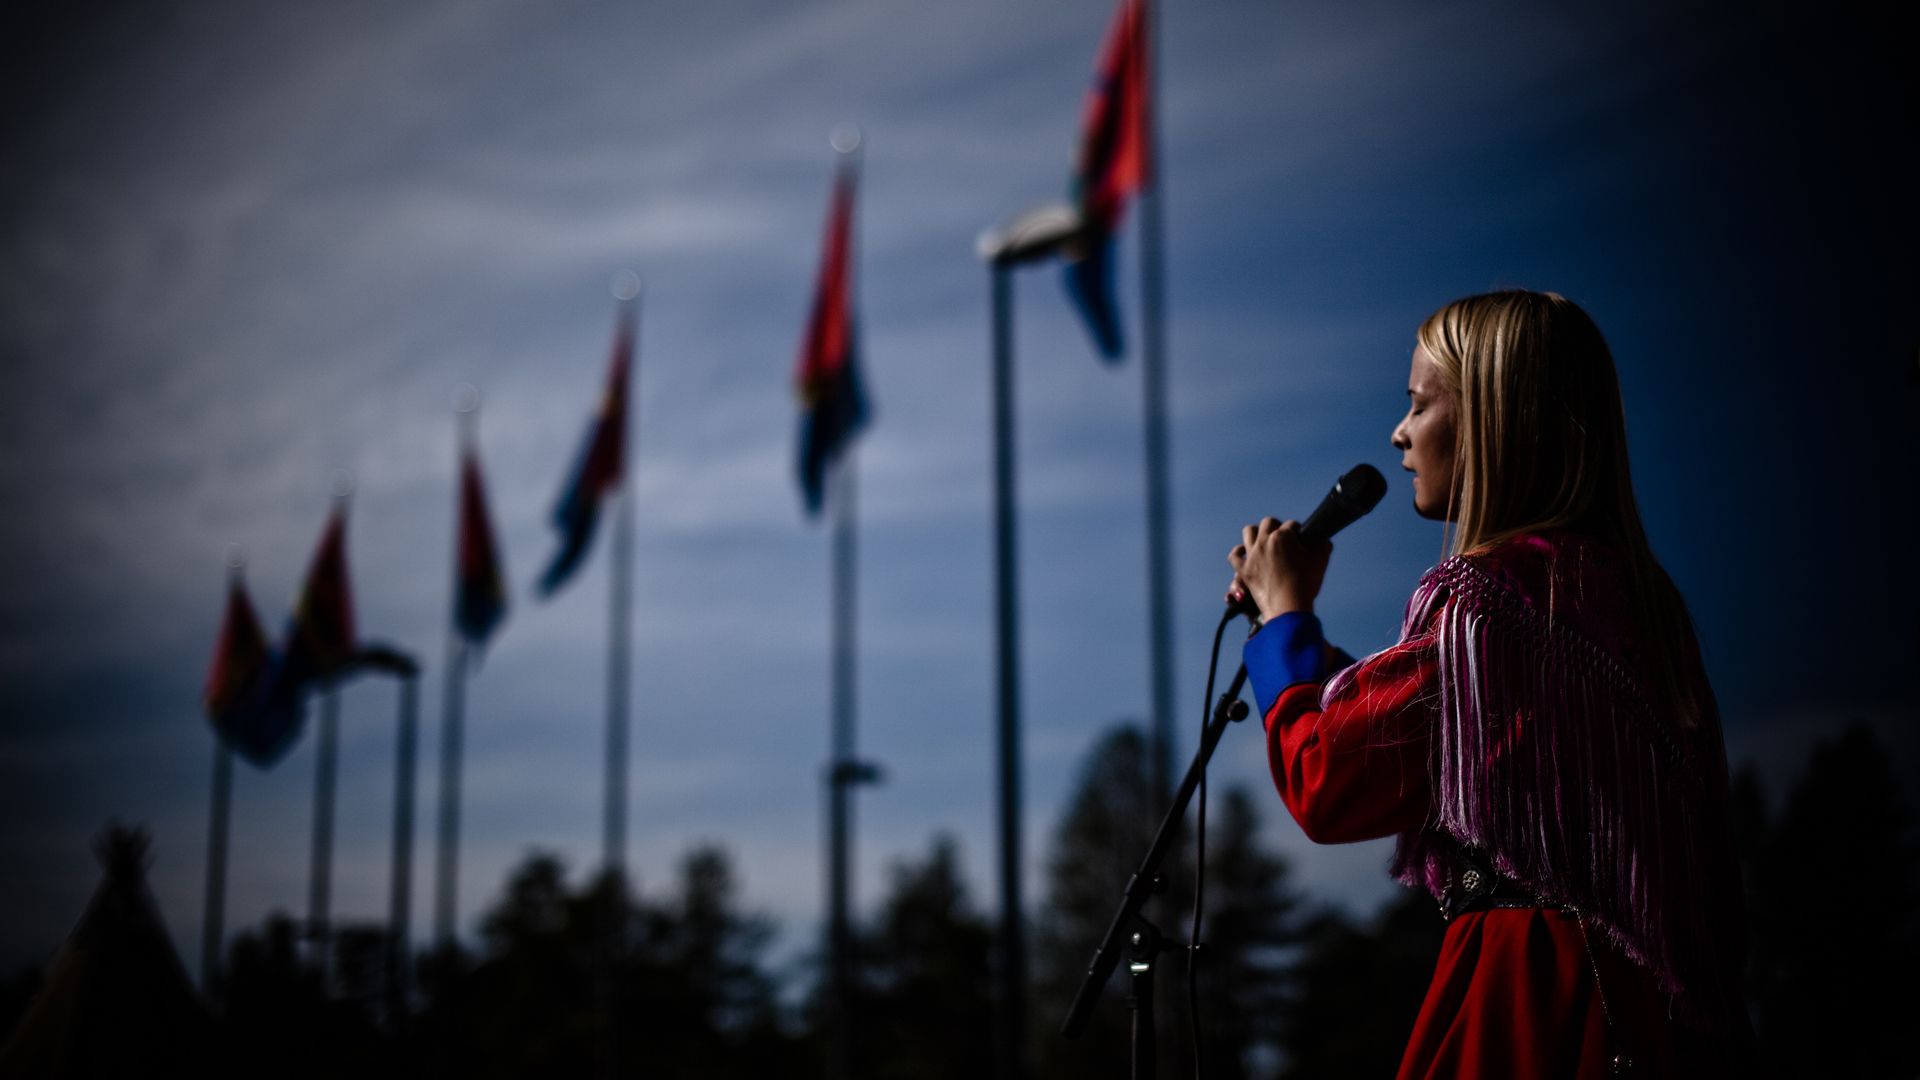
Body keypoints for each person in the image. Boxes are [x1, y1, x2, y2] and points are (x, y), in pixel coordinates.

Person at [1228, 290, 1756, 1078]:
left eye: (1418, 404)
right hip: (1653, 1022)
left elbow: (1330, 775)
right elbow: (1450, 724)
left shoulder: (1485, 605)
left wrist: (1282, 627)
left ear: (1490, 420)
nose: (1399, 434)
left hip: (1527, 1000)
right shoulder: (1641, 612)